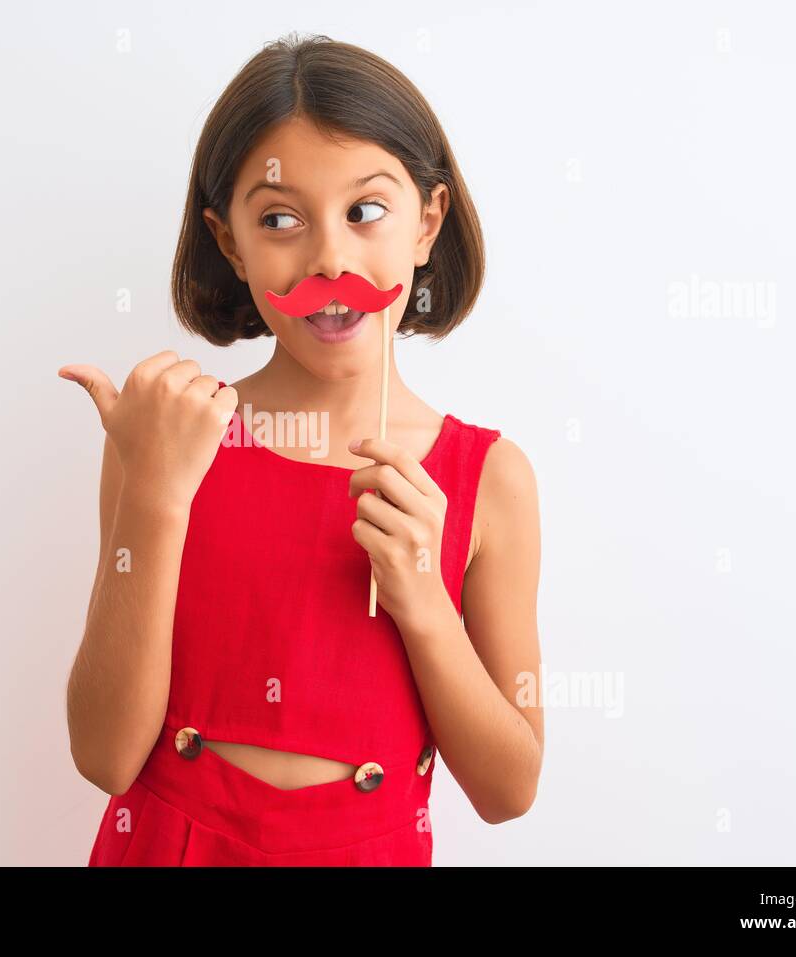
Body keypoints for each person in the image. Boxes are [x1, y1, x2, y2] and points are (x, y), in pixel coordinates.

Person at [60, 32, 543, 866]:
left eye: (365, 211)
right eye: (280, 219)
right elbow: (104, 755)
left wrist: (425, 601)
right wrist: (156, 493)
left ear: (427, 223)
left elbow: (509, 790)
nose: (329, 257)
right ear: (229, 241)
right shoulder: (172, 438)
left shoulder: (490, 478)